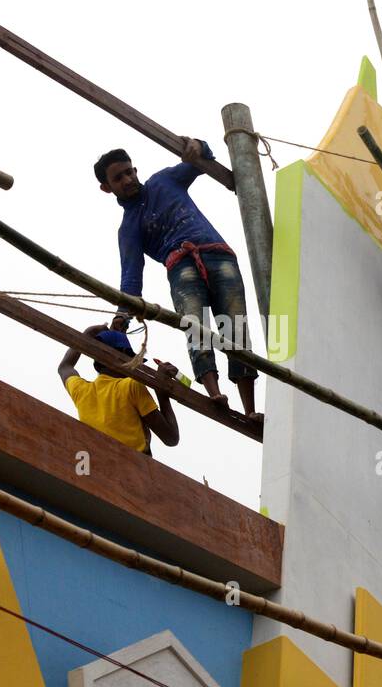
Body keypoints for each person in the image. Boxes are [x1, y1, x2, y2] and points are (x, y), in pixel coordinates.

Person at [94, 138, 262, 422]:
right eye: (118, 178)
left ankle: (250, 409)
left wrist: (197, 145)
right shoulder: (129, 228)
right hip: (180, 266)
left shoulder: (164, 181)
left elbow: (200, 161)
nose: (127, 179)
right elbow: (131, 276)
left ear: (135, 169)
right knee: (195, 327)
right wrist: (122, 314)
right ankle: (214, 393)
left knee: (236, 327)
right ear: (107, 188)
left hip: (218, 255)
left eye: (129, 172)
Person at [58, 324, 179, 455]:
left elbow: (64, 367)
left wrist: (87, 332)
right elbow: (171, 438)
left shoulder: (82, 390)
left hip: (97, 467)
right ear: (124, 357)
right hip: (135, 467)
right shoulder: (131, 386)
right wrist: (161, 393)